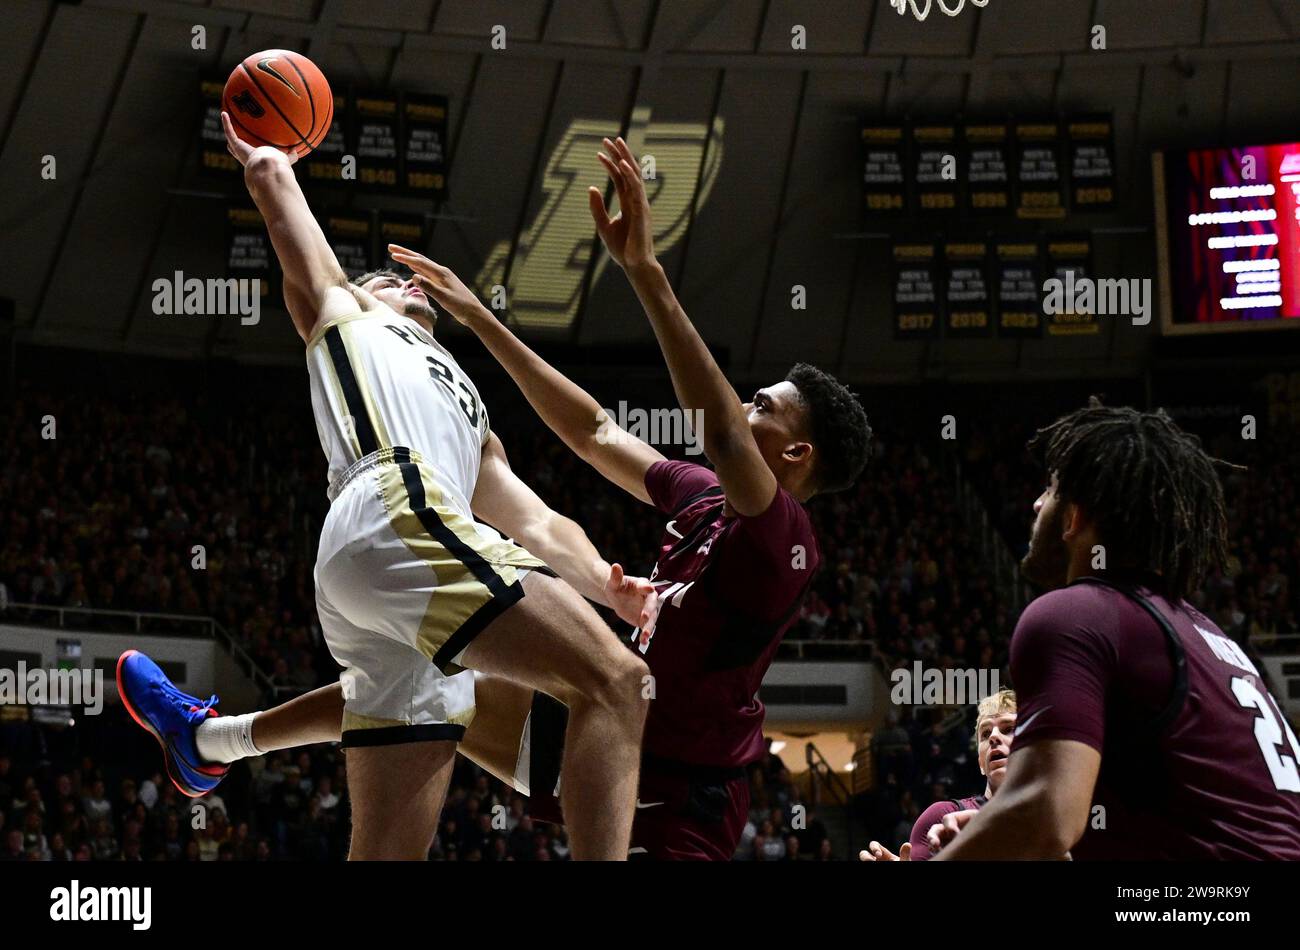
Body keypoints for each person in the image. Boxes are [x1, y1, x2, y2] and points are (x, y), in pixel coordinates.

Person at [118, 113, 659, 861]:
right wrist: (267, 157)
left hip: (385, 557)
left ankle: (209, 741)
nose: (404, 281)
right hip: (394, 506)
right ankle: (215, 740)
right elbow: (279, 200)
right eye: (385, 279)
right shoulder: (343, 311)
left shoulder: (468, 403)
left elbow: (534, 522)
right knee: (617, 681)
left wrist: (607, 585)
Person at [931, 402, 1300, 860]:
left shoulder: (1075, 613)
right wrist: (993, 833)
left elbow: (1045, 817)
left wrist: (1010, 827)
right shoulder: (1204, 634)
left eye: (1050, 490)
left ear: (1075, 516)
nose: (1036, 504)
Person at [861, 689, 1016, 861]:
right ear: (980, 762)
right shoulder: (941, 818)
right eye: (985, 733)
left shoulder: (1043, 825)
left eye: (1009, 729)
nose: (993, 736)